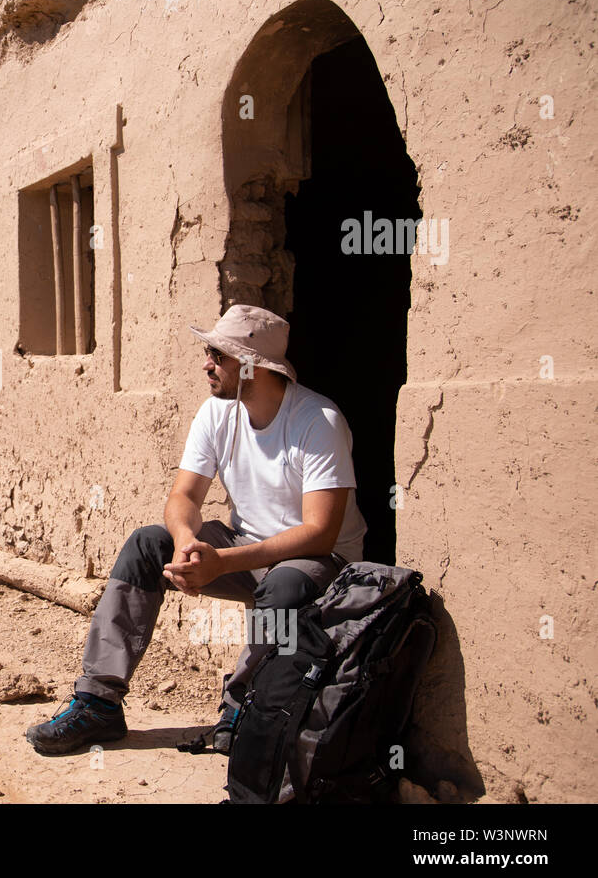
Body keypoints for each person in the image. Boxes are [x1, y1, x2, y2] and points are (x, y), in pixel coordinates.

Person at [25, 304, 368, 755]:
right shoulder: (215, 414)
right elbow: (184, 498)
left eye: (217, 355)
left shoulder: (317, 421)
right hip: (248, 551)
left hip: (320, 564)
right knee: (149, 544)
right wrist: (188, 544)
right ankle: (98, 702)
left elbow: (321, 532)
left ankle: (243, 710)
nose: (206, 363)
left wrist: (222, 561)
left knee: (283, 584)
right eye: (209, 351)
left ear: (253, 366)